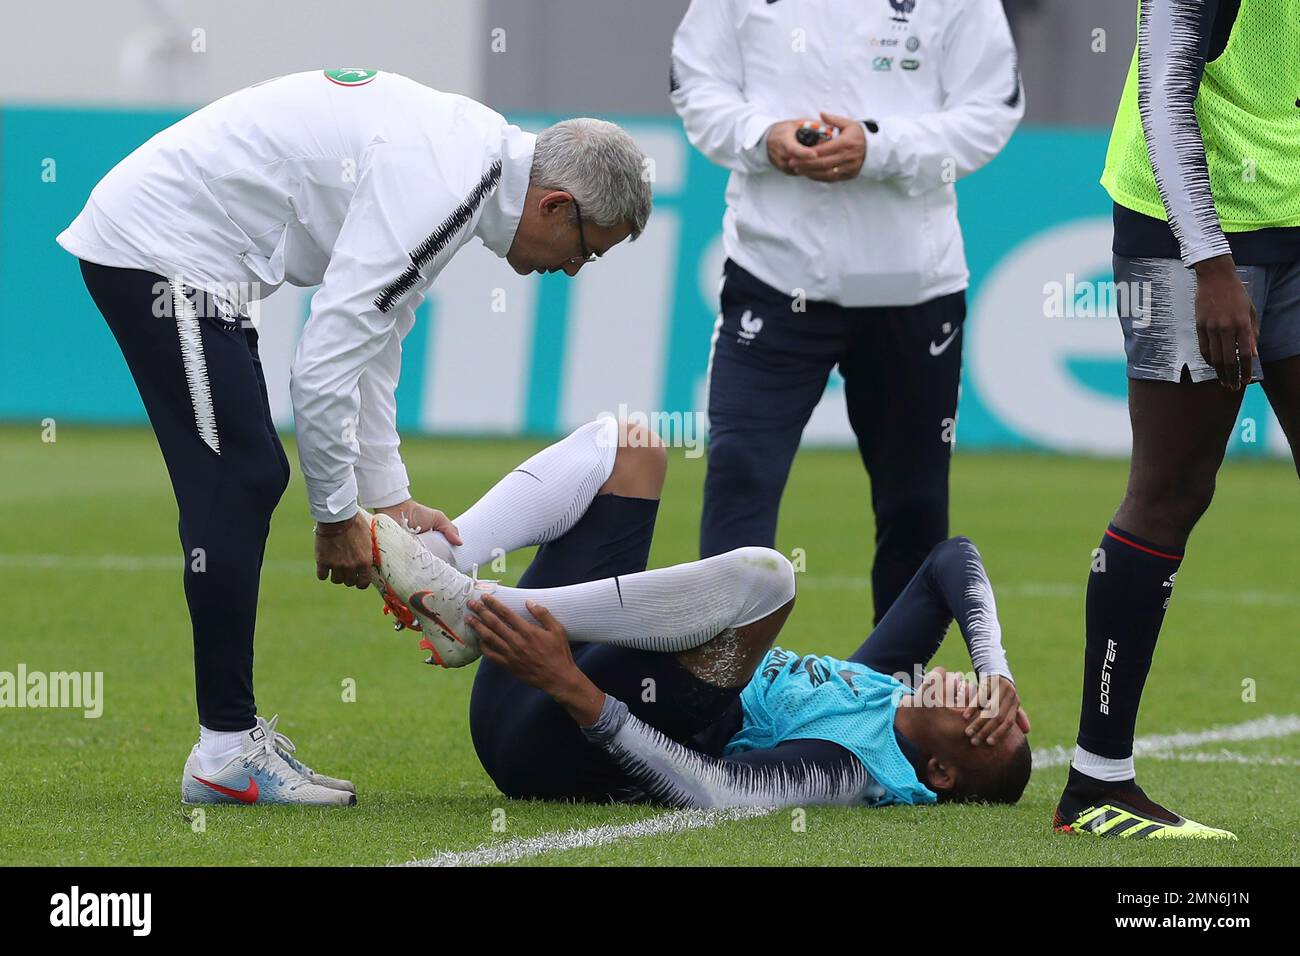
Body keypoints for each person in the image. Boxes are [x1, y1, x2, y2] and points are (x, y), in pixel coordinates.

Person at [55, 69, 653, 806]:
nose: (572, 267)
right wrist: (337, 516)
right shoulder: (454, 178)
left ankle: (228, 747)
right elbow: (325, 362)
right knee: (240, 480)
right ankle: (224, 753)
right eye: (586, 249)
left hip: (202, 263)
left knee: (245, 477)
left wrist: (387, 501)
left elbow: (377, 330)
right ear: (557, 204)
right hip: (161, 251)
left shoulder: (473, 166)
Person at [370, 420, 1031, 807]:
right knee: (631, 447)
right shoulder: (884, 688)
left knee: (767, 582)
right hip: (529, 678)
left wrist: (577, 693)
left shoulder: (854, 765)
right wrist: (995, 665)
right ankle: (446, 560)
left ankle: (481, 609)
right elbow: (952, 559)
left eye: (989, 725)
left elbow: (718, 792)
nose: (986, 702)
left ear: (941, 773)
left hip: (553, 741)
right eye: (999, 705)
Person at [669, 0, 1023, 623]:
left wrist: (878, 147)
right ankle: (716, 699)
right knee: (740, 475)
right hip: (773, 275)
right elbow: (697, 82)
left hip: (911, 285)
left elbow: (992, 109)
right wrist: (761, 136)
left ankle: (896, 698)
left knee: (913, 504)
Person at [1053, 0, 1300, 840]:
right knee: (1171, 491)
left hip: (1293, 216)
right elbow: (1163, 92)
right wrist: (1212, 268)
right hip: (1185, 233)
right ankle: (1097, 782)